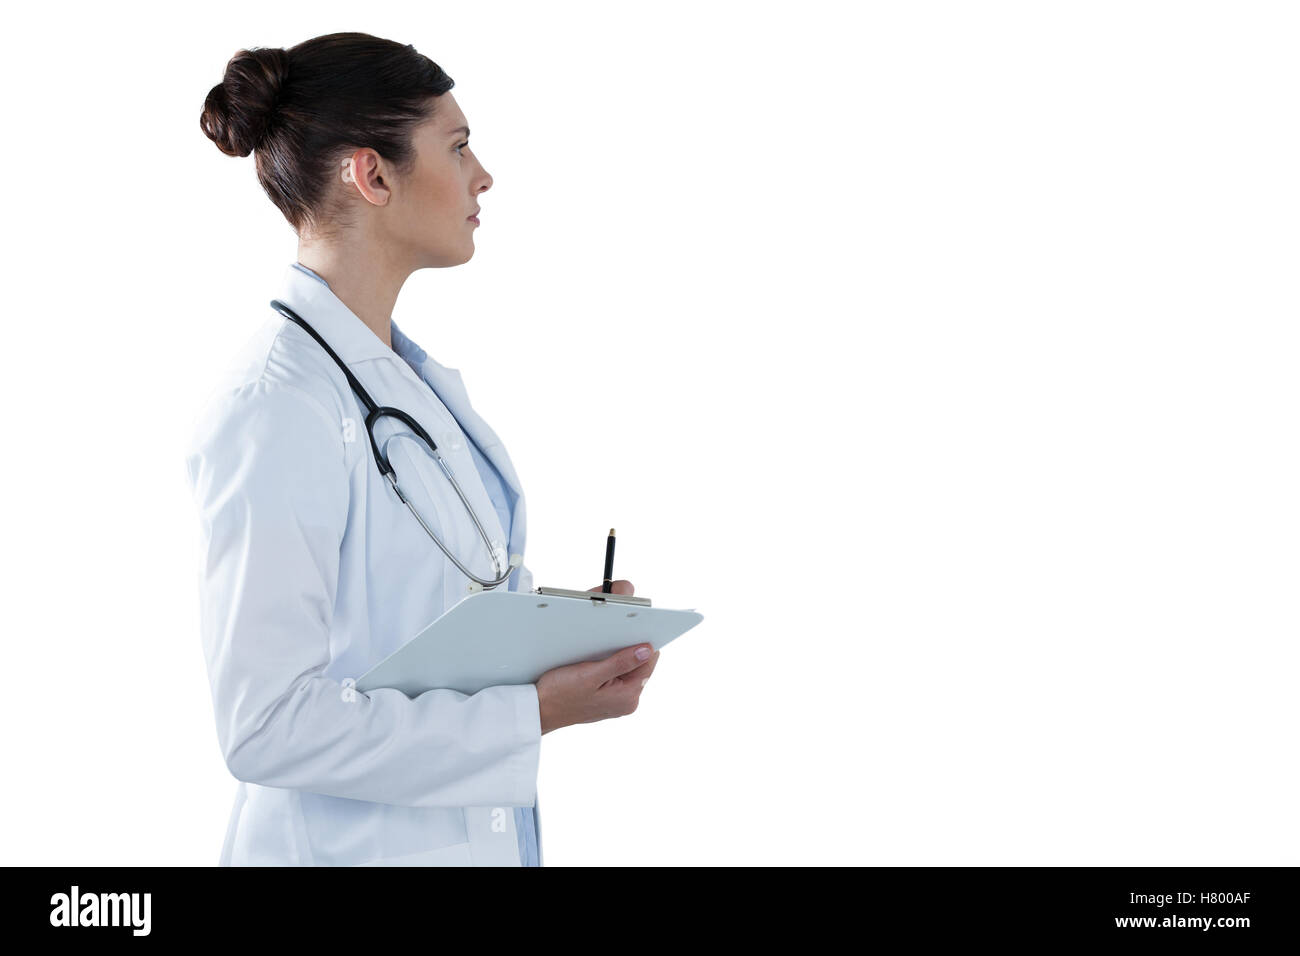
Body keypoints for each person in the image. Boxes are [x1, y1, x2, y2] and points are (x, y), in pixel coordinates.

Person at [187, 32, 659, 867]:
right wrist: (534, 713)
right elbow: (265, 725)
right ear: (372, 176)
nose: (484, 175)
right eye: (459, 146)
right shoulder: (277, 404)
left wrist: (551, 638)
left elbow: (420, 621)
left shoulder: (400, 383)